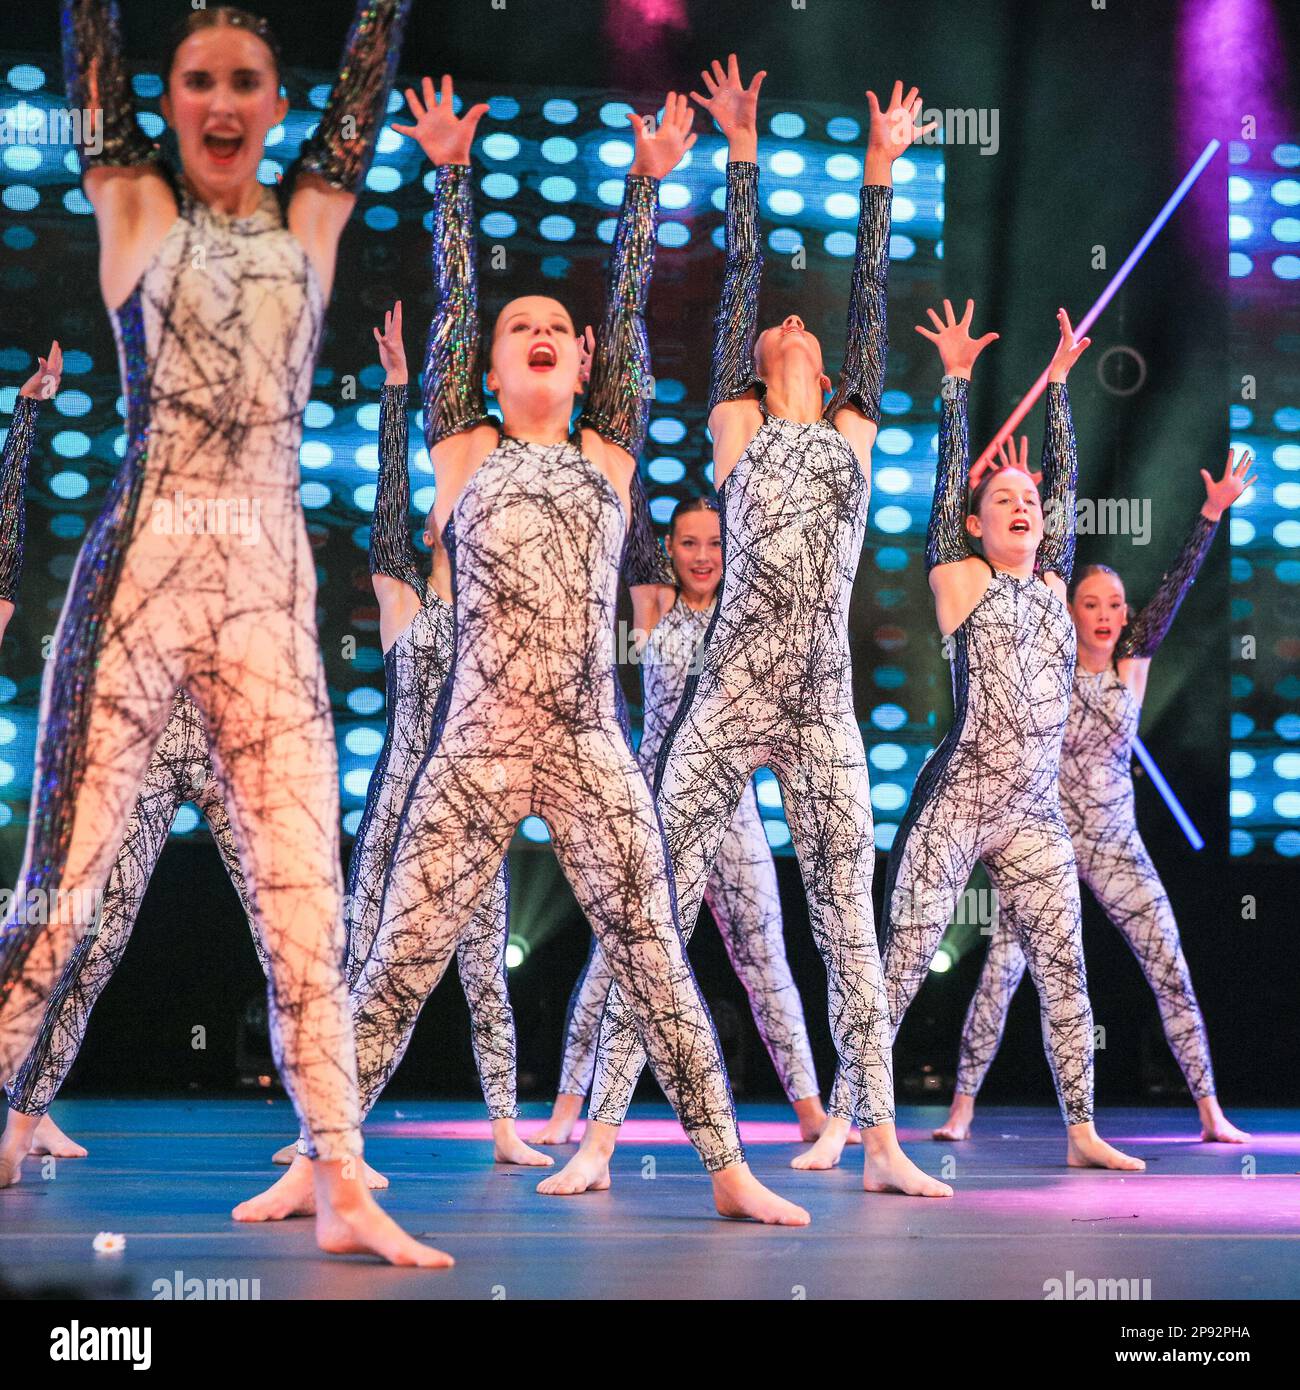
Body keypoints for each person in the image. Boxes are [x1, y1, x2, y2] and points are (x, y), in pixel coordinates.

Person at [238, 75, 808, 1227]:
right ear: (490, 373)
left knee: (653, 952)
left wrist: (647, 190)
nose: (541, 334)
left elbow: (635, 314)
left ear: (584, 360)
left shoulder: (608, 454)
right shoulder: (460, 447)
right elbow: (454, 303)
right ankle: (318, 1155)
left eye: (558, 327)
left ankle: (727, 1167)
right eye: (520, 329)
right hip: (480, 744)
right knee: (396, 960)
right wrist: (450, 175)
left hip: (590, 743)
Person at [1, 0, 447, 1265]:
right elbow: (91, 41)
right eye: (194, 81)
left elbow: (373, 60)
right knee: (61, 899)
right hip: (139, 583)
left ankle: (342, 1179)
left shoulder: (310, 218)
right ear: (164, 98)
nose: (218, 103)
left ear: (276, 105)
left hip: (268, 593)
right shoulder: (136, 212)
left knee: (308, 905)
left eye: (244, 81)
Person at [545, 59, 950, 1200]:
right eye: (770, 330)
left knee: (844, 926)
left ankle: (877, 1141)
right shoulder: (734, 429)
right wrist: (740, 150)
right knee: (653, 905)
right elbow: (738, 285)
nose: (780, 323)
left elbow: (868, 297)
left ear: (824, 377)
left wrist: (880, 175)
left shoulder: (854, 433)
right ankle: (597, 1137)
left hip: (819, 704)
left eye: (800, 334)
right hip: (725, 698)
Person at [880, 297, 1142, 1171]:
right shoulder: (960, 583)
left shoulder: (1052, 585)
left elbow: (1065, 486)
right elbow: (946, 491)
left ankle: (1081, 1132)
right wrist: (956, 386)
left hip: (1034, 814)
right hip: (959, 803)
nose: (1026, 505)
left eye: (1029, 498)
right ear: (974, 522)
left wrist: (1061, 383)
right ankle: (850, 1123)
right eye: (1005, 498)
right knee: (900, 966)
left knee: (1065, 973)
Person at [934, 447, 1254, 1145]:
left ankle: (1210, 1112)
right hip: (1043, 835)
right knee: (1002, 973)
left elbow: (1174, 587)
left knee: (1168, 960)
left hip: (1115, 843)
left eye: (1115, 605)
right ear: (1068, 609)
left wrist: (1208, 516)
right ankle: (959, 1109)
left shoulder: (1133, 663)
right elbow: (1011, 571)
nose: (1106, 614)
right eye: (1091, 603)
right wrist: (1004, 497)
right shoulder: (1043, 643)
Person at [532, 496, 838, 1147]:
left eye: (715, 544)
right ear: (669, 551)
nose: (703, 556)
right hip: (655, 811)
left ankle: (810, 1109)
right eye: (690, 543)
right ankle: (569, 1108)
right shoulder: (655, 608)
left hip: (733, 811)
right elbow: (629, 500)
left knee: (766, 963)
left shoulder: (749, 616)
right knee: (614, 960)